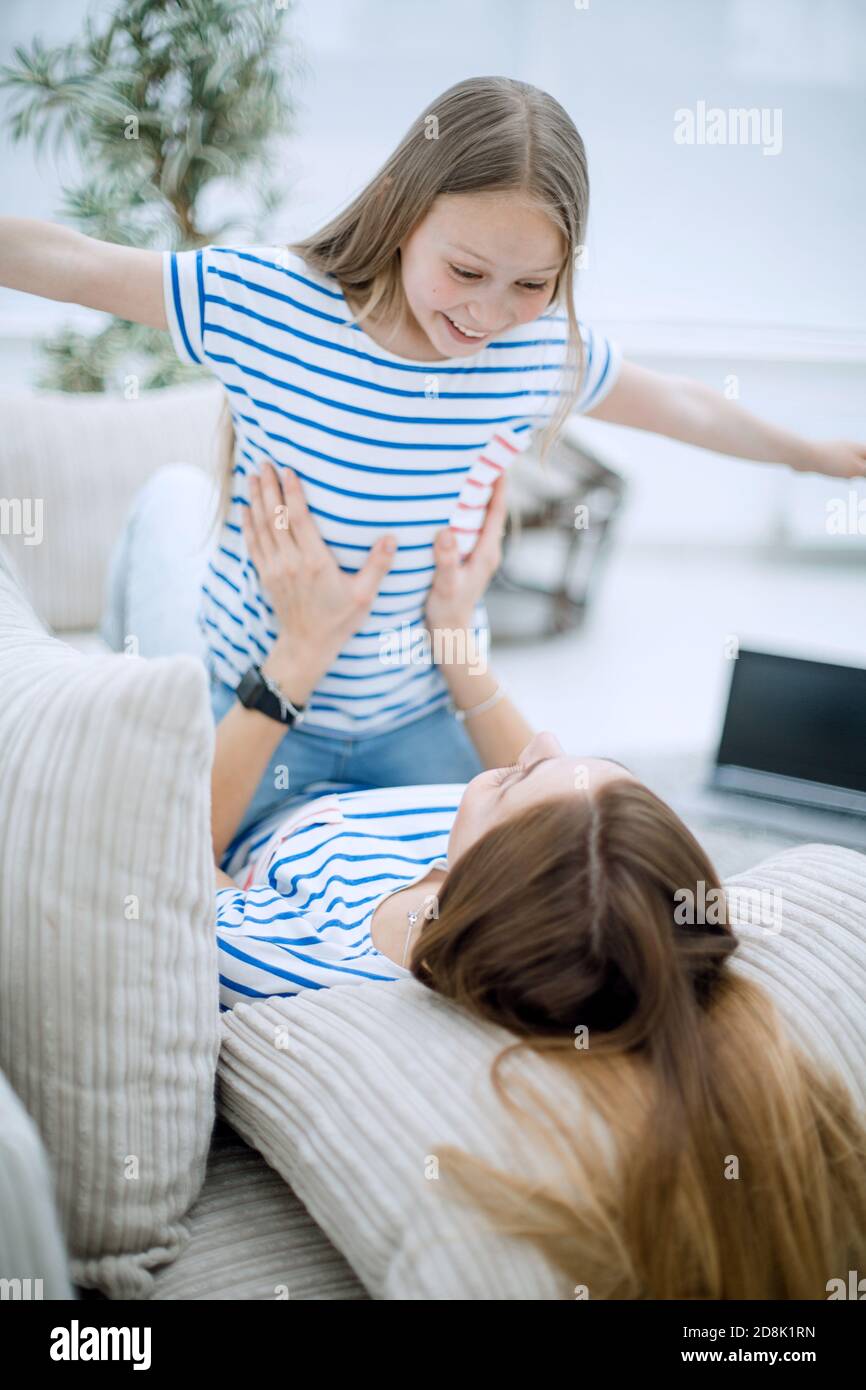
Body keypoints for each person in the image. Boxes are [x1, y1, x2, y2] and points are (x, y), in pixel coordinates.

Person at [1, 76, 863, 844]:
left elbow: (679, 403)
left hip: (417, 713)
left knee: (542, 881)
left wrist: (815, 457)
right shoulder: (270, 302)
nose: (489, 313)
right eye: (466, 270)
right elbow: (75, 266)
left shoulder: (540, 353)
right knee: (163, 870)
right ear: (403, 214)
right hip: (256, 697)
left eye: (533, 285)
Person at [199, 454, 866, 1300]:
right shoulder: (590, 897)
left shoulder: (307, 963)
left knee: (169, 512)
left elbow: (181, 846)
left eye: (520, 780)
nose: (542, 743)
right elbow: (561, 806)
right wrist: (453, 631)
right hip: (400, 781)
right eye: (590, 768)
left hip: (259, 789)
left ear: (476, 880)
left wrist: (298, 656)